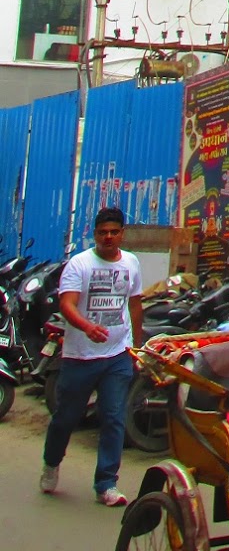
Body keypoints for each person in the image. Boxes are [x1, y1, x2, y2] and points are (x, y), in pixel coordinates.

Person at [40, 206, 143, 506]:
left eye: (114, 232)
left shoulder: (131, 263)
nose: (108, 237)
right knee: (66, 418)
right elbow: (67, 305)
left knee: (113, 417)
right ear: (94, 234)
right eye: (102, 233)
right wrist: (87, 327)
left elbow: (135, 305)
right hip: (80, 357)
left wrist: (136, 347)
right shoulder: (79, 264)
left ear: (122, 233)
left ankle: (106, 483)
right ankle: (51, 462)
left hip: (117, 355)